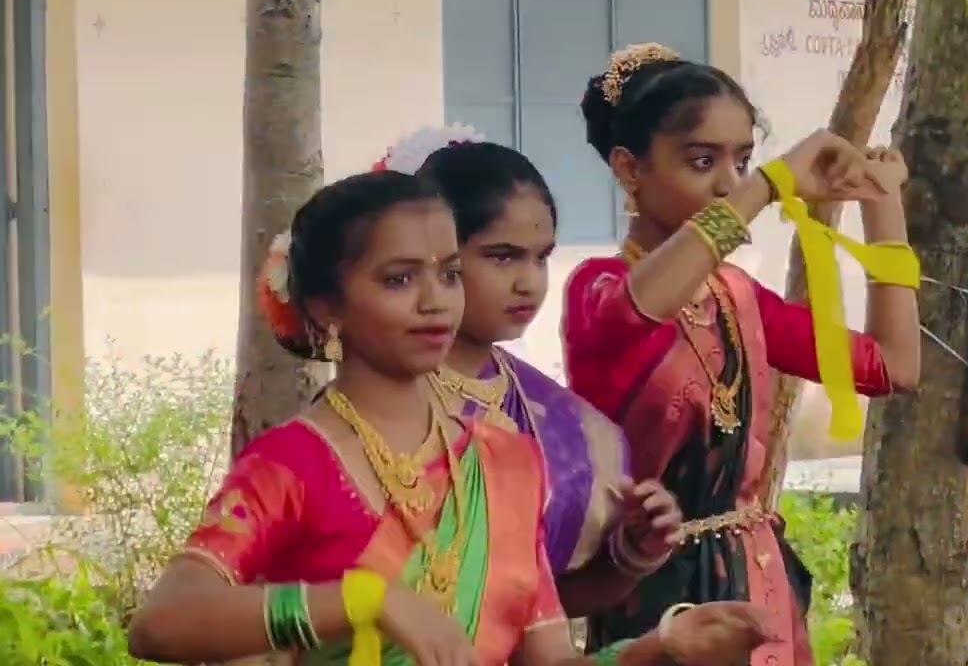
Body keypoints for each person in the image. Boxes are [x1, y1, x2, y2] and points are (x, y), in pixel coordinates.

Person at [126, 169, 775, 666]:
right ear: (327, 308)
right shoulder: (291, 463)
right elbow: (162, 623)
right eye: (399, 280)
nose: (436, 302)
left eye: (449, 274)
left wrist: (662, 647)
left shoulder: (508, 461)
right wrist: (364, 600)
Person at [562, 43, 921, 666]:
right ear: (628, 169)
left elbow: (893, 366)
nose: (728, 182)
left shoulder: (737, 297)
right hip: (655, 594)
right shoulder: (598, 290)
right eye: (702, 161)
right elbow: (643, 309)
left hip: (760, 583)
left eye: (743, 161)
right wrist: (769, 185)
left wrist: (883, 206)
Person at [371, 126, 677, 615]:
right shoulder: (373, 403)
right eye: (502, 256)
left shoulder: (571, 427)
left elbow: (546, 606)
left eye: (541, 258)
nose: (529, 282)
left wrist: (632, 552)